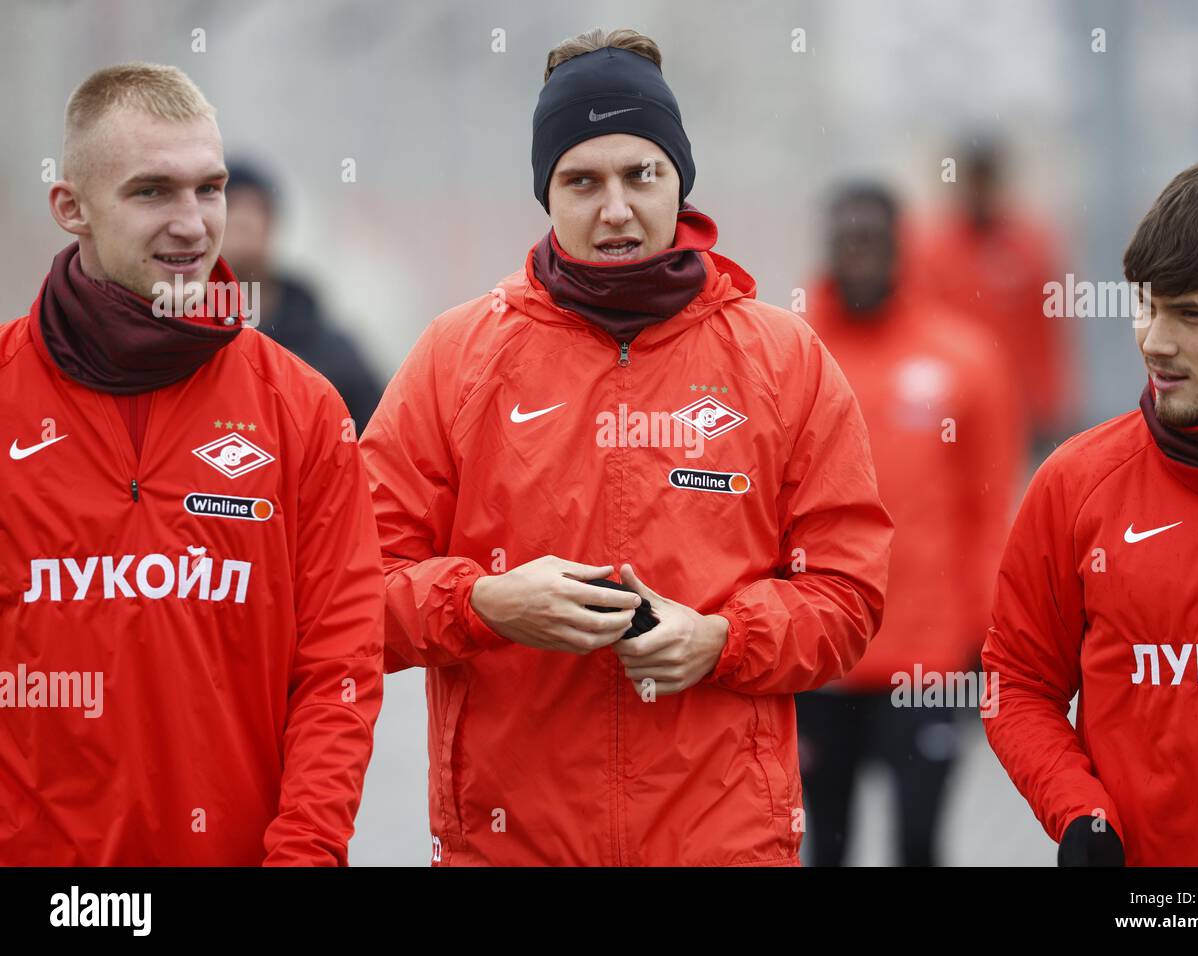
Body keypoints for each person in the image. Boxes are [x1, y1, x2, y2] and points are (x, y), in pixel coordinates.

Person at [360, 28, 893, 866]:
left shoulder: (782, 358)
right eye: (581, 180)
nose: (615, 208)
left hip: (724, 842)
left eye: (641, 173)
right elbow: (353, 596)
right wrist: (483, 604)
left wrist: (724, 640)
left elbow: (849, 597)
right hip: (508, 845)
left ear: (679, 180)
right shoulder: (455, 358)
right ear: (546, 194)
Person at [0, 63, 384, 865]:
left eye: (208, 190)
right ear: (71, 208)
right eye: (151, 192)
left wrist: (307, 855)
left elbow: (337, 672)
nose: (192, 224)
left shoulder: (302, 408)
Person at [983, 157, 1198, 866]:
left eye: (1191, 315)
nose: (1154, 340)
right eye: (1148, 306)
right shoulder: (1075, 481)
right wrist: (1079, 813)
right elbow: (1017, 683)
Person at [796, 183, 1022, 866]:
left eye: (874, 237)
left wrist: (986, 633)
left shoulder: (965, 358)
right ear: (830, 246)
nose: (860, 252)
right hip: (819, 659)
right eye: (847, 237)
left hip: (925, 661)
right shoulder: (793, 355)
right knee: (822, 846)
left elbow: (990, 510)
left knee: (920, 842)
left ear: (902, 247)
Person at [912, 139, 1074, 448]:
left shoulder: (1030, 248)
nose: (979, 192)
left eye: (985, 180)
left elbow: (1048, 335)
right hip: (953, 403)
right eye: (972, 180)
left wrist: (1051, 405)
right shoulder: (930, 251)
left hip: (1020, 409)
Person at [220, 160, 385, 432]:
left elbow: (375, 442)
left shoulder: (332, 353)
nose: (244, 222)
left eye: (257, 209)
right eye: (232, 206)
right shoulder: (179, 340)